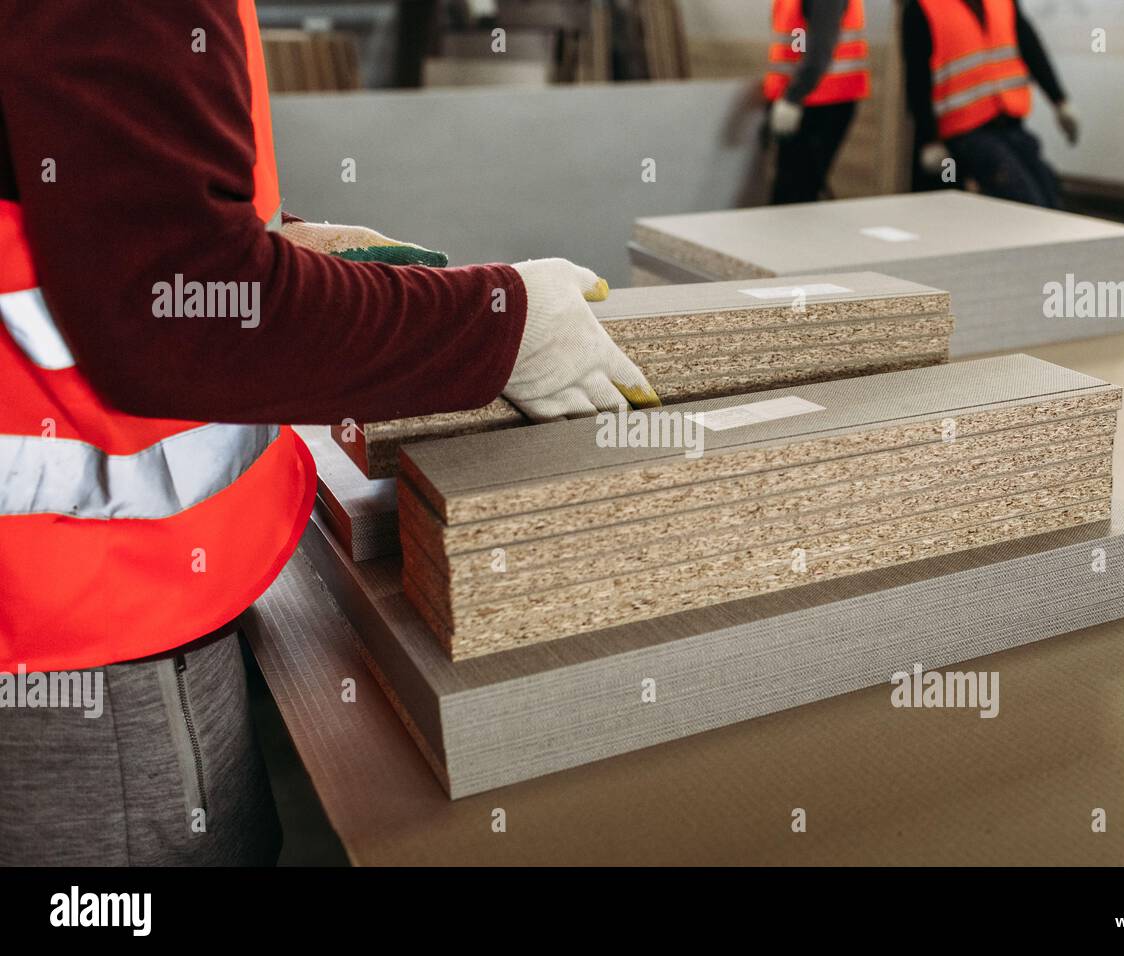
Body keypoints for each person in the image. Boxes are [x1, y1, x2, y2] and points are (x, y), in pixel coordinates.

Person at [0, 1, 656, 866]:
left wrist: (274, 243)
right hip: (74, 636)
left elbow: (86, 175)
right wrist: (500, 326)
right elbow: (174, 309)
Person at [903, 0, 1079, 208]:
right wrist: (928, 140)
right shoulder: (924, 7)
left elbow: (1029, 46)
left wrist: (1059, 101)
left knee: (1051, 197)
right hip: (965, 133)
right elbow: (917, 80)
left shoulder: (1002, 3)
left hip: (1009, 123)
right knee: (1026, 203)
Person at [764, 0, 871, 205]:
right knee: (795, 193)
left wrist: (793, 98)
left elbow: (820, 49)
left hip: (821, 104)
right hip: (808, 101)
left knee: (796, 196)